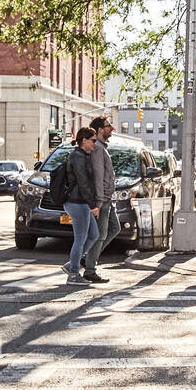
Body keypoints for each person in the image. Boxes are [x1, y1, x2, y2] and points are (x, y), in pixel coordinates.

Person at [62, 127, 103, 285]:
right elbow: (83, 183)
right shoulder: (78, 157)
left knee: (94, 234)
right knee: (80, 238)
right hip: (77, 202)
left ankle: (71, 264)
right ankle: (73, 275)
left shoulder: (83, 155)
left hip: (82, 202)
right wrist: (93, 205)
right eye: (93, 140)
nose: (95, 143)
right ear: (84, 140)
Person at [82, 117, 117, 283]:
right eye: (108, 126)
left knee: (114, 228)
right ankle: (90, 269)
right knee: (100, 234)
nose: (112, 128)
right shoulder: (97, 149)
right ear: (100, 130)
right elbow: (98, 176)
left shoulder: (102, 148)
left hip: (108, 197)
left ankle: (88, 256)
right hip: (102, 199)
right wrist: (100, 201)